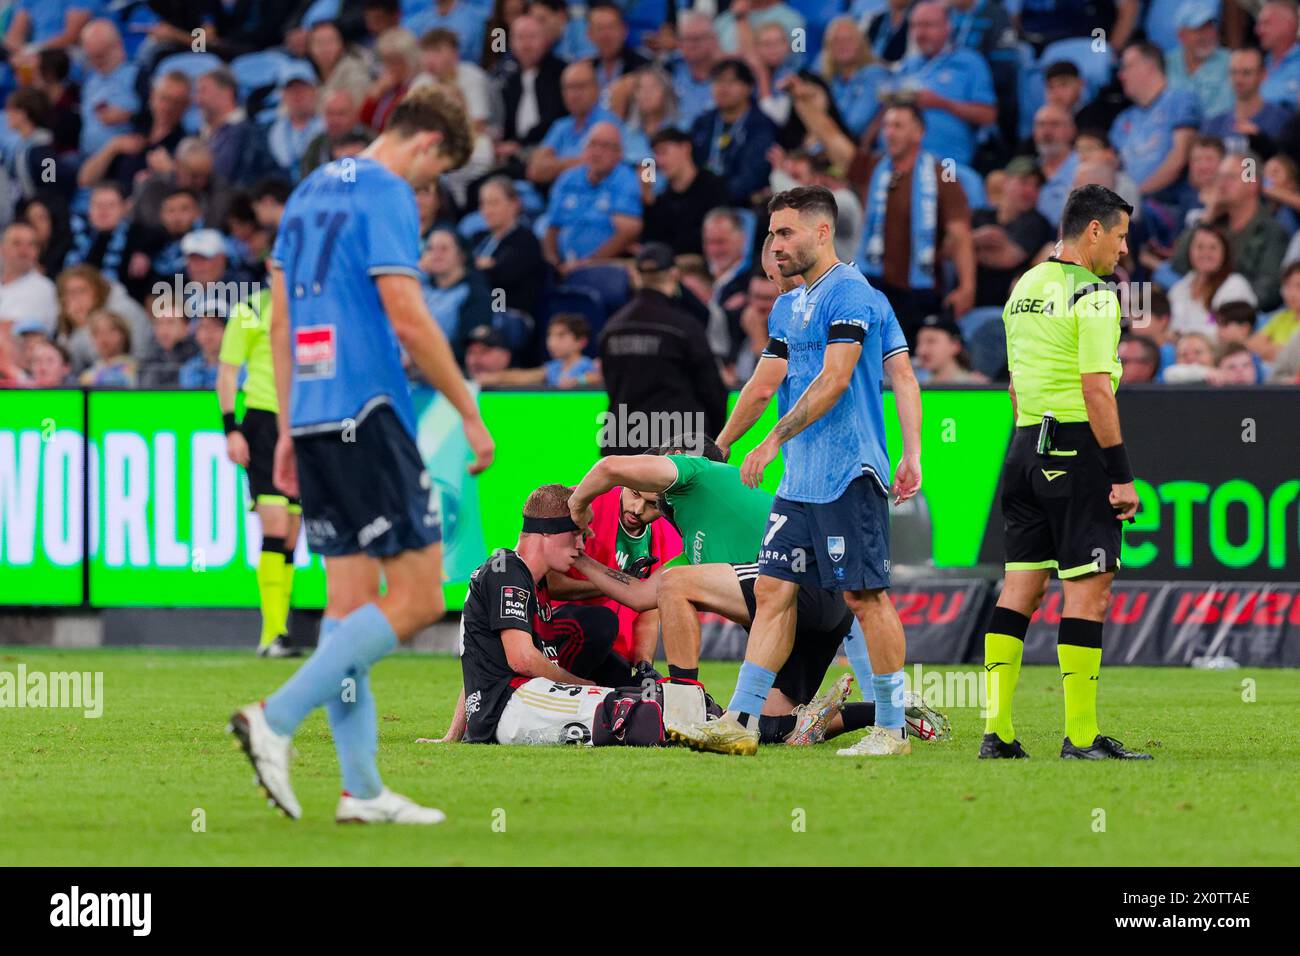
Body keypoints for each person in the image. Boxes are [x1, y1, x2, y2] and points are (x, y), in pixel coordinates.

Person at [227, 82, 494, 825]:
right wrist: (469, 413)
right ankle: (274, 718)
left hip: (309, 416)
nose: (427, 190)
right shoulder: (386, 192)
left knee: (347, 613)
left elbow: (279, 320)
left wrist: (282, 428)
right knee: (420, 598)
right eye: (434, 176)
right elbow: (407, 317)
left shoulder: (309, 189)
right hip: (368, 410)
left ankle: (361, 789)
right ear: (429, 146)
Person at [671, 186, 923, 757]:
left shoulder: (853, 295)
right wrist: (721, 445)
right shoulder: (788, 306)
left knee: (865, 599)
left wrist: (910, 453)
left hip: (847, 474)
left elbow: (839, 380)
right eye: (771, 234)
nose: (774, 245)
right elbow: (764, 384)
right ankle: (740, 719)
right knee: (772, 590)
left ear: (822, 231)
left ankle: (891, 727)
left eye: (785, 233)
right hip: (799, 482)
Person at [981, 183, 1151, 761]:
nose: (1124, 250)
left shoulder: (1024, 286)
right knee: (1089, 593)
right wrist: (1120, 474)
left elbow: (1013, 384)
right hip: (1075, 451)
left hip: (1024, 448)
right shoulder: (1096, 296)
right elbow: (1095, 389)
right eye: (1121, 235)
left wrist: (1032, 440)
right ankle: (1081, 737)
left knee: (1020, 589)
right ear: (1094, 231)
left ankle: (997, 732)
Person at [791, 88, 975, 338]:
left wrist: (967, 287)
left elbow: (960, 234)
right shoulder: (872, 167)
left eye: (898, 126)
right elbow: (831, 137)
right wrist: (802, 100)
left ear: (918, 132)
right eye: (886, 125)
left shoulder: (942, 175)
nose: (889, 132)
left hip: (921, 292)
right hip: (873, 286)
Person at [216, 287, 302, 658]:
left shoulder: (312, 307)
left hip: (301, 425)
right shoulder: (250, 309)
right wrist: (231, 428)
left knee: (293, 531)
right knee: (276, 524)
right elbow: (227, 373)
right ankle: (271, 634)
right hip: (263, 422)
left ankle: (280, 630)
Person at [598, 243, 728, 455]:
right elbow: (712, 390)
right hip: (677, 445)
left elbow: (611, 386)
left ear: (636, 275)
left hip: (623, 440)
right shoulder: (684, 326)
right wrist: (714, 441)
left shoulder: (612, 327)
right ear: (674, 273)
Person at [541, 122, 643, 272]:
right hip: (562, 266)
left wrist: (589, 263)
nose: (596, 152)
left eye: (605, 146)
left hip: (603, 268)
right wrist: (553, 264)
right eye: (592, 144)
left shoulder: (625, 179)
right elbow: (552, 227)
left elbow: (628, 232)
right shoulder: (568, 178)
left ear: (619, 153)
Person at [689, 58, 779, 206]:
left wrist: (713, 197)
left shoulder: (761, 126)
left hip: (741, 205)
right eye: (717, 81)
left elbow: (752, 177)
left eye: (731, 82)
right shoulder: (703, 123)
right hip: (701, 201)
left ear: (748, 87)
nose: (723, 88)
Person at [972, 157, 1056, 309]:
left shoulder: (1036, 222)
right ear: (1005, 182)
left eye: (1036, 186)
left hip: (1008, 308)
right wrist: (974, 240)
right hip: (970, 302)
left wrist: (966, 247)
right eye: (1024, 182)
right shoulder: (980, 215)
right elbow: (945, 249)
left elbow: (1006, 259)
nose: (1030, 191)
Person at [641, 128, 729, 257]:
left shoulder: (713, 186)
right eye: (656, 155)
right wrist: (647, 195)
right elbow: (652, 239)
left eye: (663, 152)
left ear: (685, 148)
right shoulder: (663, 197)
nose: (659, 161)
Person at [471, 176, 546, 319]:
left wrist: (476, 267)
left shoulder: (525, 240)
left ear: (514, 204)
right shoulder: (478, 238)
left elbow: (502, 277)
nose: (487, 210)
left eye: (494, 203)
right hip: (479, 309)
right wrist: (484, 265)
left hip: (510, 313)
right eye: (483, 204)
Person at [1167, 223, 1257, 334]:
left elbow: (1230, 332)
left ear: (1225, 252)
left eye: (1213, 248)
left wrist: (1180, 336)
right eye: (1199, 247)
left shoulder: (1235, 285)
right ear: (1189, 251)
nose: (1206, 253)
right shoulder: (1179, 288)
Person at [474, 313, 600, 387]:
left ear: (581, 342)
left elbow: (599, 376)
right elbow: (526, 376)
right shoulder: (553, 368)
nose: (552, 342)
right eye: (550, 336)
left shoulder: (588, 365)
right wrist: (495, 378)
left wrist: (579, 380)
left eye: (561, 336)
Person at [0, 222, 58, 336]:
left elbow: (14, 332)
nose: (24, 251)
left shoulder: (42, 288)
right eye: (17, 243)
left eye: (31, 245)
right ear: (2, 248)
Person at [137, 301, 199, 387]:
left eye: (170, 322)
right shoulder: (147, 357)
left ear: (186, 326)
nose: (163, 330)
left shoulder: (199, 358)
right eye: (159, 323)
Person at [915, 313, 987, 383]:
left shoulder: (975, 387)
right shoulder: (914, 386)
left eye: (931, 341)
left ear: (955, 345)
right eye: (919, 343)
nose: (921, 350)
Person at [78, 309, 137, 386]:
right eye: (97, 332)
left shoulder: (137, 371)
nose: (103, 337)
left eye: (111, 331)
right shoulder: (87, 376)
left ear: (124, 334)